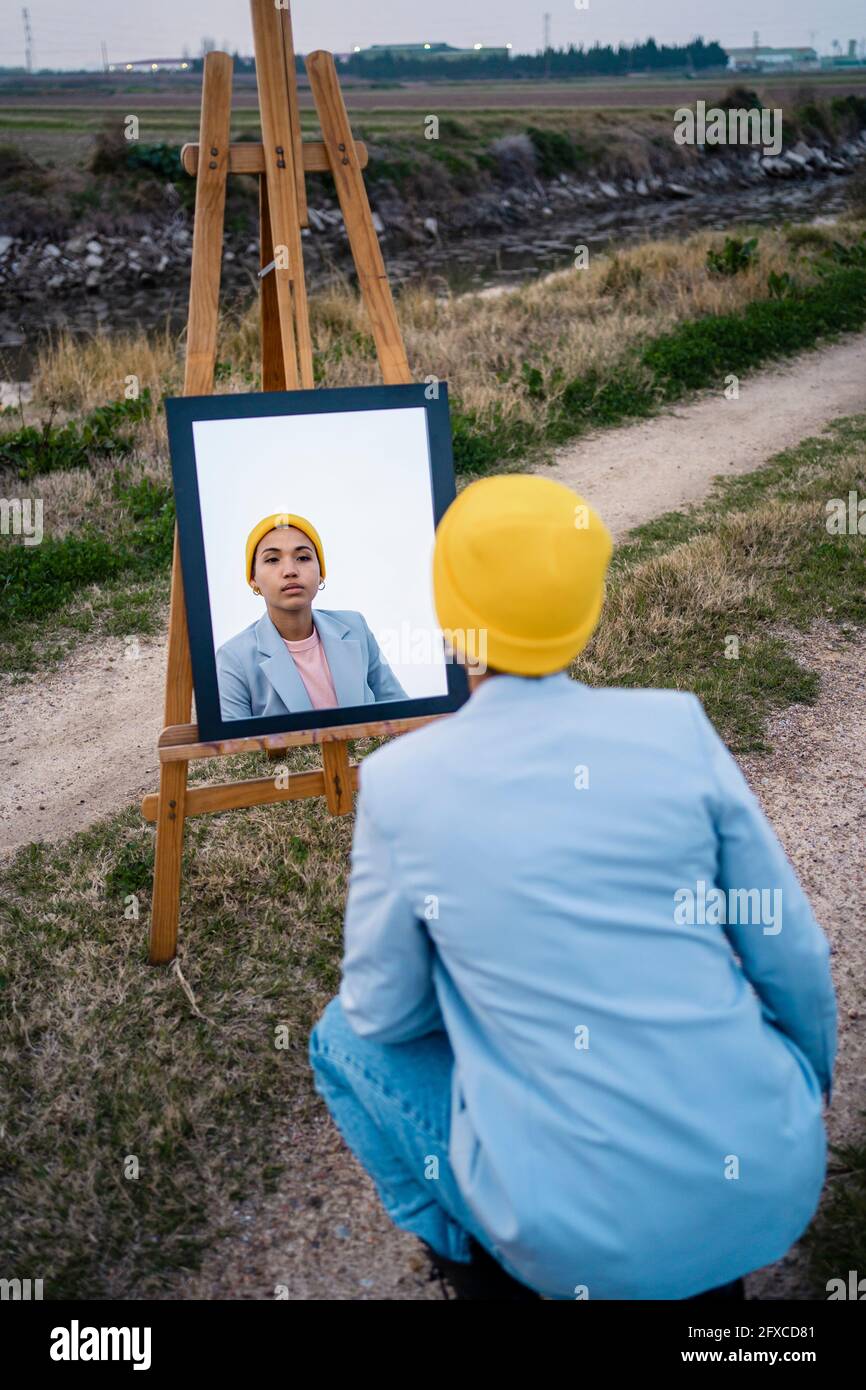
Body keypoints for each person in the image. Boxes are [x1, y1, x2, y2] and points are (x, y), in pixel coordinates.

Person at [308, 473, 837, 1301]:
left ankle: (475, 1260)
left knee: (340, 1034)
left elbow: (386, 1016)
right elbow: (791, 952)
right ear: (586, 609)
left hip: (570, 1238)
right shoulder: (678, 726)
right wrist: (806, 1093)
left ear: (451, 623)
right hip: (768, 1177)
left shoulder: (402, 783)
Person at [216, 512, 407, 720]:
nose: (290, 571)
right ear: (253, 579)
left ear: (321, 572)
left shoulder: (355, 627)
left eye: (303, 557)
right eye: (272, 559)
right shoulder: (233, 658)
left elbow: (400, 711)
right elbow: (235, 751)